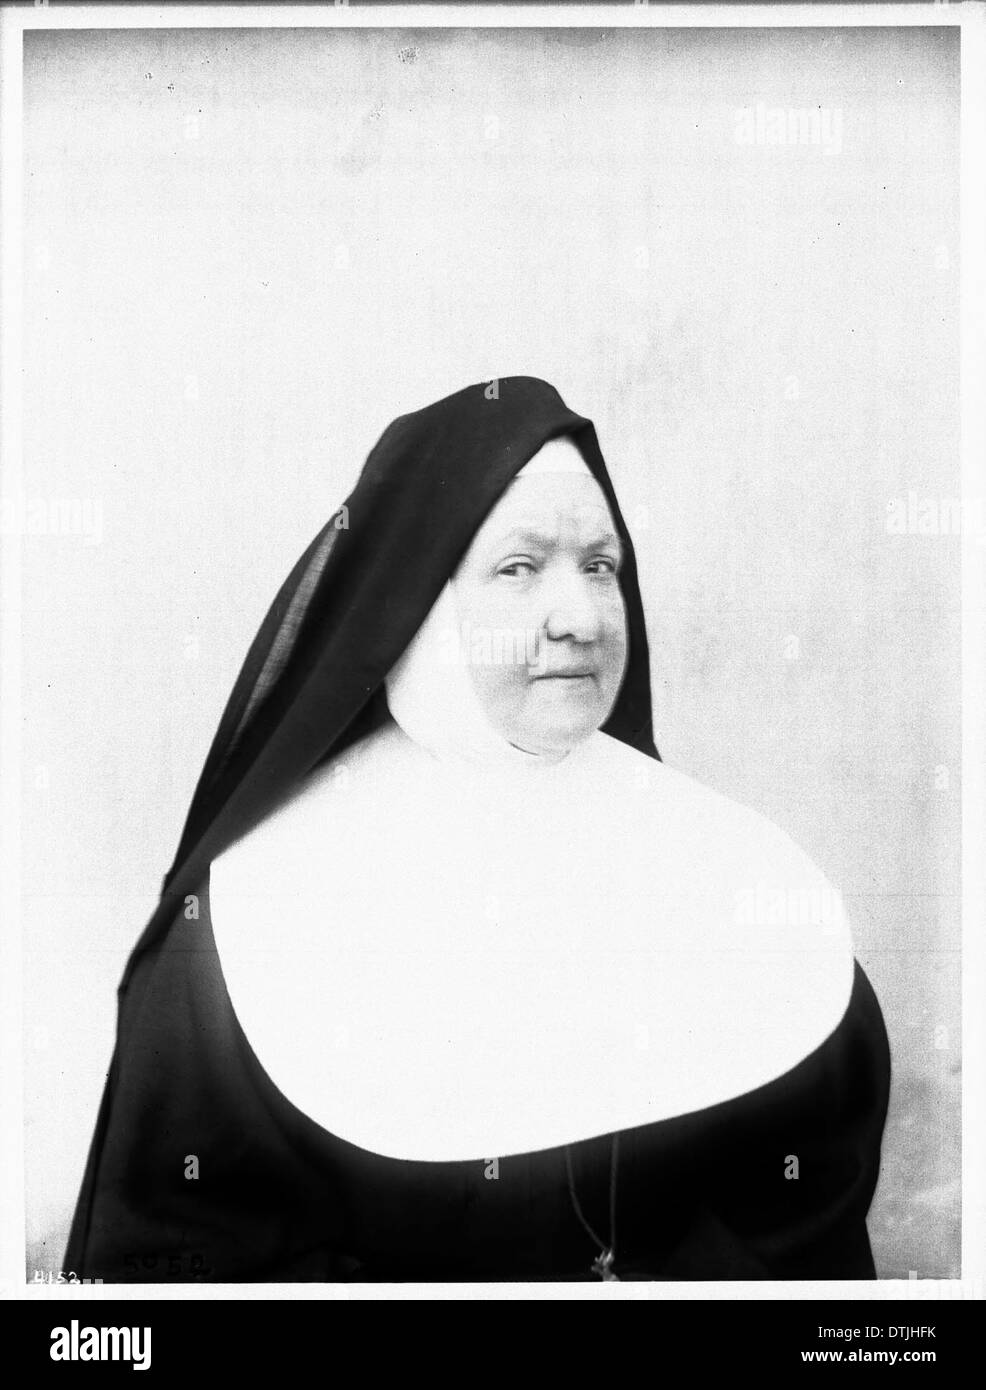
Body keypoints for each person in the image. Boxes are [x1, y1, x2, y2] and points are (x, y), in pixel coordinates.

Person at [64, 377, 890, 1283]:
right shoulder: (247, 922)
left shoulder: (733, 873)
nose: (579, 616)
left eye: (601, 566)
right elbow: (177, 1265)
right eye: (519, 567)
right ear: (417, 608)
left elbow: (803, 1223)